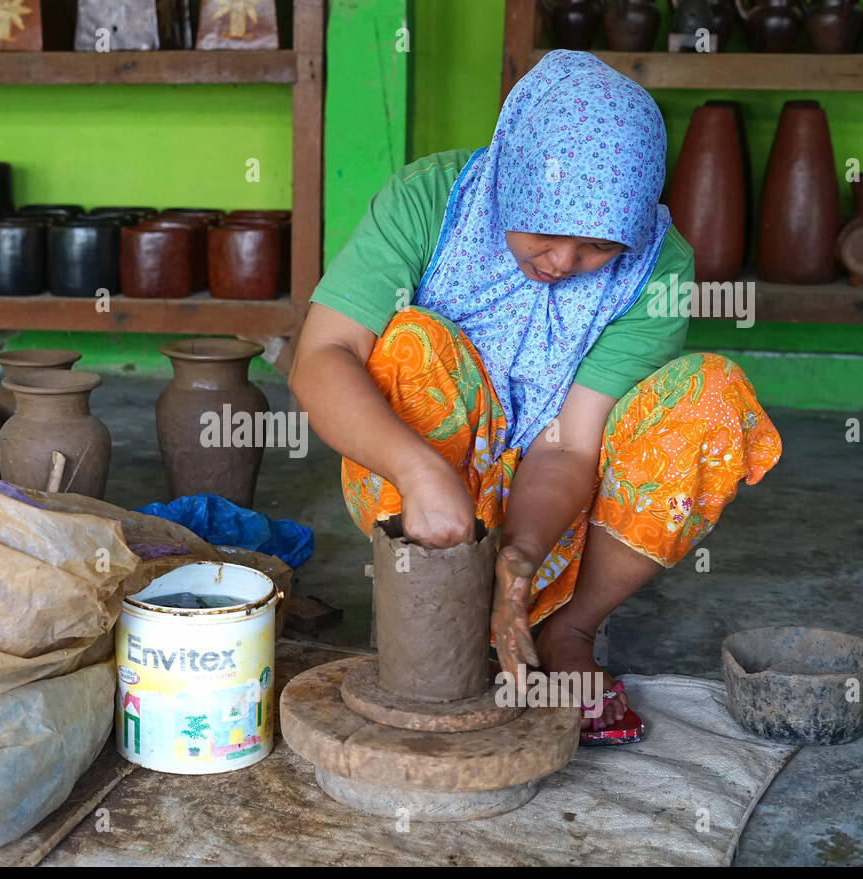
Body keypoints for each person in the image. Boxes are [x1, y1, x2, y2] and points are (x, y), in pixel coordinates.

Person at [289, 50, 782, 735]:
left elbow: (571, 445)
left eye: (598, 248)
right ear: (508, 185)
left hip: (563, 503)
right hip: (432, 486)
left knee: (711, 396)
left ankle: (569, 626)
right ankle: (433, 608)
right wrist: (420, 471)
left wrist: (519, 559)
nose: (563, 264)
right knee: (410, 344)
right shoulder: (428, 201)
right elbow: (320, 358)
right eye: (547, 234)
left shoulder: (658, 267)